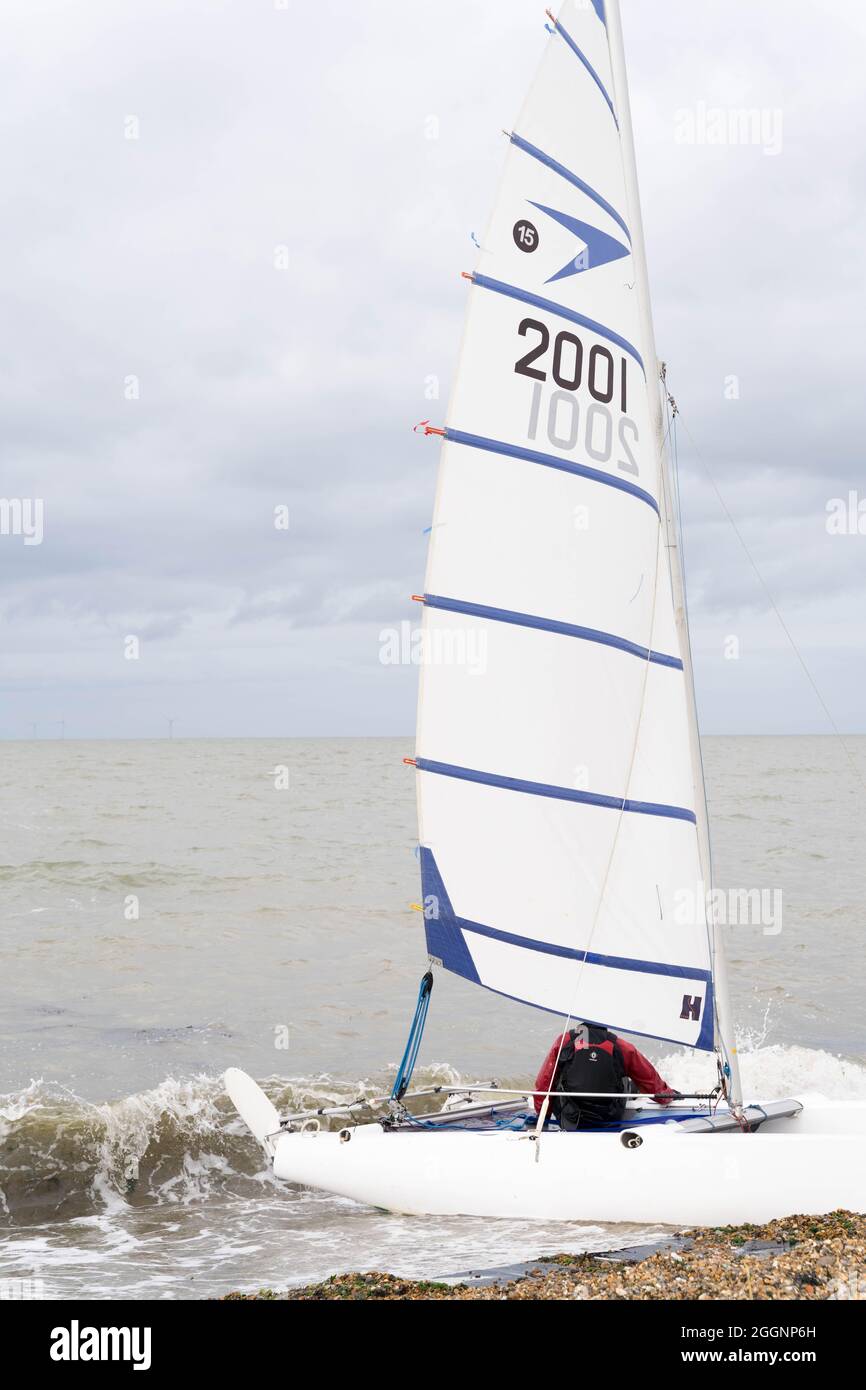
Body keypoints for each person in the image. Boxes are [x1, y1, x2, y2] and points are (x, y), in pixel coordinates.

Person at [534, 1023, 679, 1130]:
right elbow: (650, 1081)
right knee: (627, 1078)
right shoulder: (622, 1046)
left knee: (559, 1074)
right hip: (608, 1118)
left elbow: (544, 1083)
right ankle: (634, 1094)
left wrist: (543, 1118)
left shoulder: (565, 1041)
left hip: (570, 1119)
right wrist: (668, 1095)